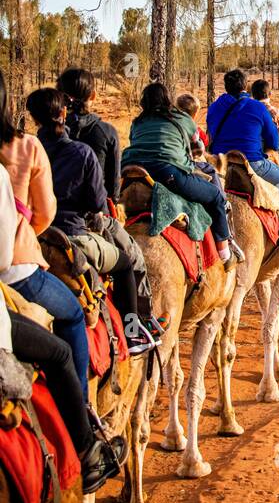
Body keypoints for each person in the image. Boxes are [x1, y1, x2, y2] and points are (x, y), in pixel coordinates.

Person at [0, 163, 125, 493]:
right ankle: (86, 443)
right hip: (46, 246)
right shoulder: (36, 150)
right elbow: (99, 196)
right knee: (69, 325)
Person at [25, 88, 164, 353]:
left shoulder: (27, 150)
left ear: (34, 118)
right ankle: (132, 333)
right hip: (72, 235)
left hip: (33, 237)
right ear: (64, 113)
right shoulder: (81, 153)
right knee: (123, 265)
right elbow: (97, 204)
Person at [0, 69, 91, 397]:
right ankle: (81, 412)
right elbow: (45, 212)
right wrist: (24, 234)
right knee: (73, 314)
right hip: (16, 269)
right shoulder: (27, 147)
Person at [123, 83, 244, 265]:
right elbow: (197, 151)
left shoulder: (137, 122)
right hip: (168, 174)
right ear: (167, 99)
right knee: (216, 197)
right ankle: (225, 253)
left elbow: (136, 143)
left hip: (132, 172)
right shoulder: (182, 119)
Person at [207, 70, 279, 243]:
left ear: (226, 87)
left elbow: (211, 132)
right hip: (252, 161)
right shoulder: (257, 107)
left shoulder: (215, 106)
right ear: (244, 85)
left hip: (220, 162)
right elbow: (273, 141)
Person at [57, 67, 122, 203]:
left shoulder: (47, 132)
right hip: (94, 211)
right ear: (93, 95)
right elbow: (113, 186)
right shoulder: (107, 132)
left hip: (53, 212)